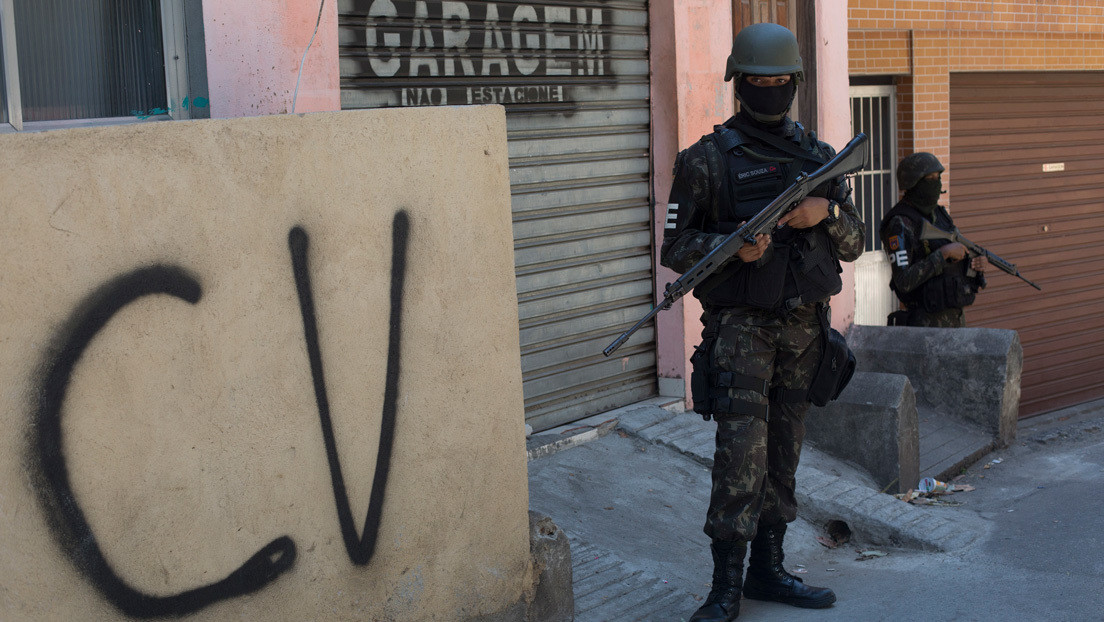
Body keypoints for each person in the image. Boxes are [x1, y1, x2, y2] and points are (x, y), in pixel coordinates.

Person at [659, 22, 864, 622]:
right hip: (742, 335)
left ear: (795, 84)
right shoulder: (704, 162)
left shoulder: (820, 159)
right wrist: (729, 245)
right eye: (759, 81)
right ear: (739, 85)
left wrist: (823, 213)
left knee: (784, 452)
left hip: (805, 330)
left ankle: (769, 571)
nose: (770, 90)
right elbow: (675, 247)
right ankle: (725, 587)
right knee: (739, 456)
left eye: (780, 81)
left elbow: (853, 244)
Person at [879, 152, 986, 327]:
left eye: (938, 178)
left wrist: (975, 262)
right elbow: (904, 281)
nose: (937, 183)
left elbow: (958, 254)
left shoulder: (939, 215)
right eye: (930, 178)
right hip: (924, 326)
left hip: (955, 320)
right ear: (914, 183)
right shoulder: (900, 223)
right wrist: (942, 255)